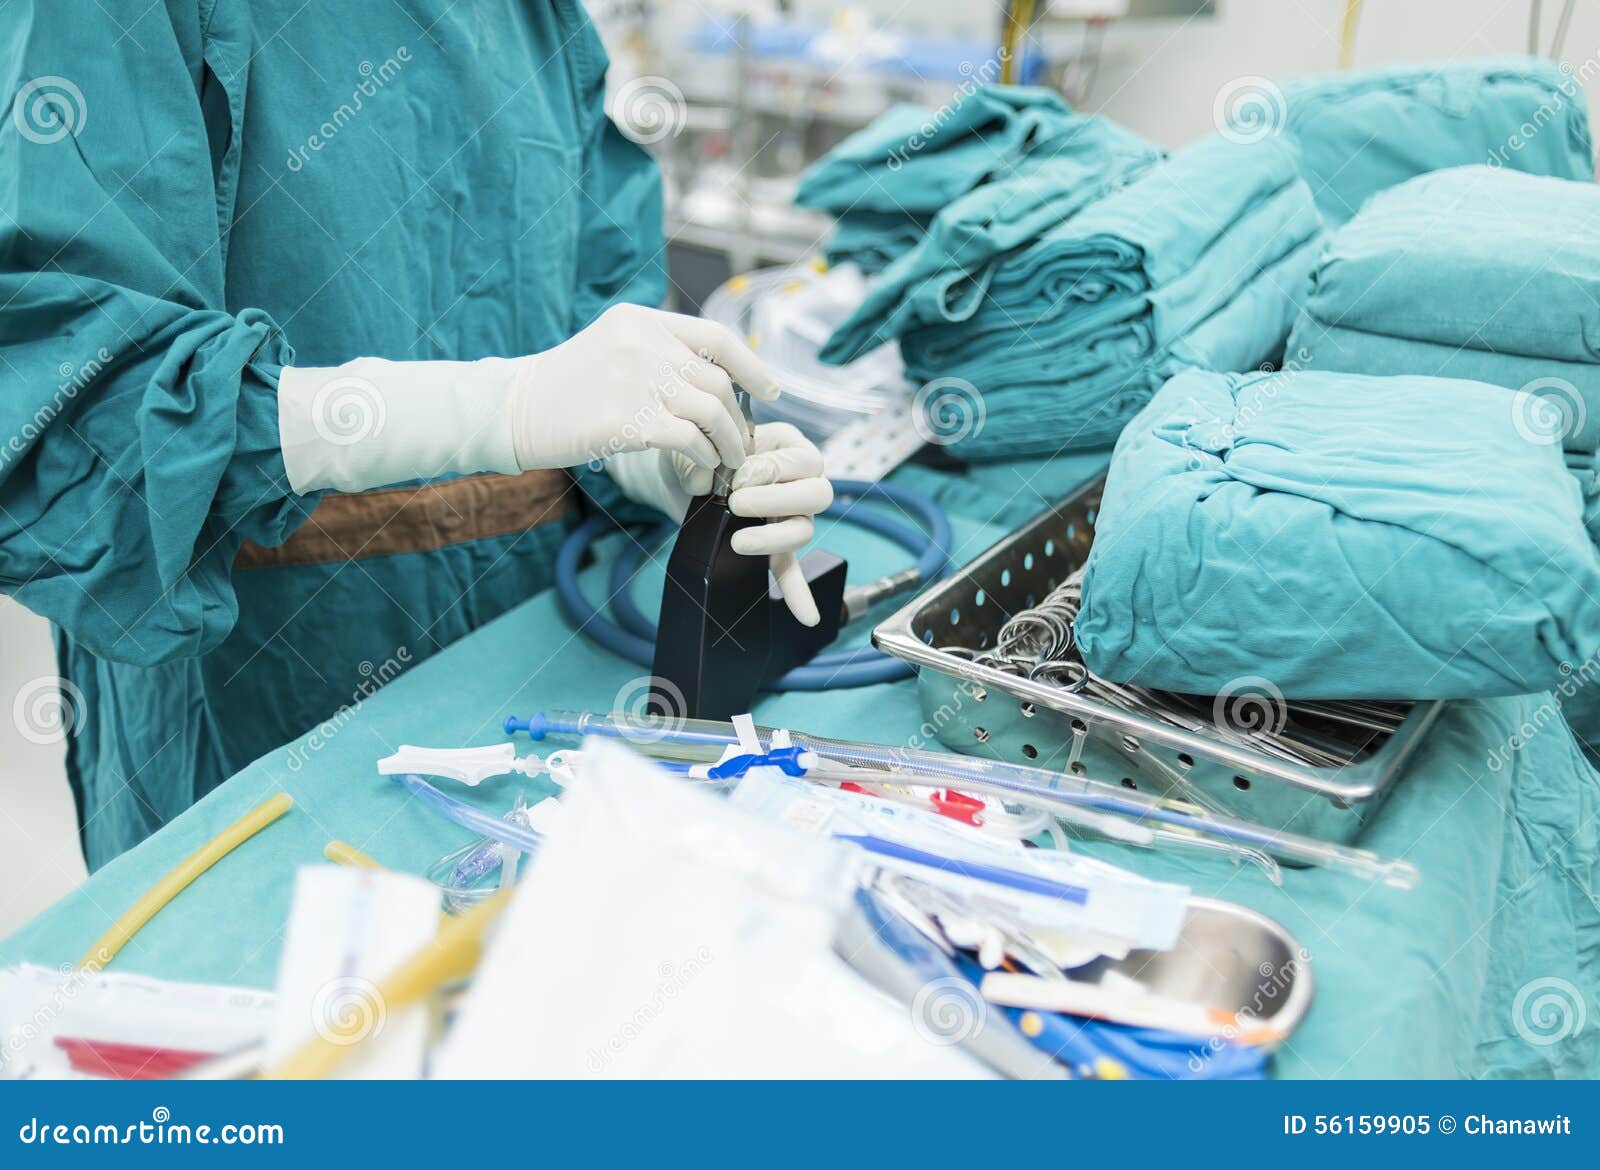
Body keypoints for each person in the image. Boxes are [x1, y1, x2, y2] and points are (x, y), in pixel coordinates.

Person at [0, 2, 832, 868]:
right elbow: (72, 399)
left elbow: (590, 288)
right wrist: (502, 405)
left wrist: (666, 450)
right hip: (264, 678)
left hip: (529, 641)